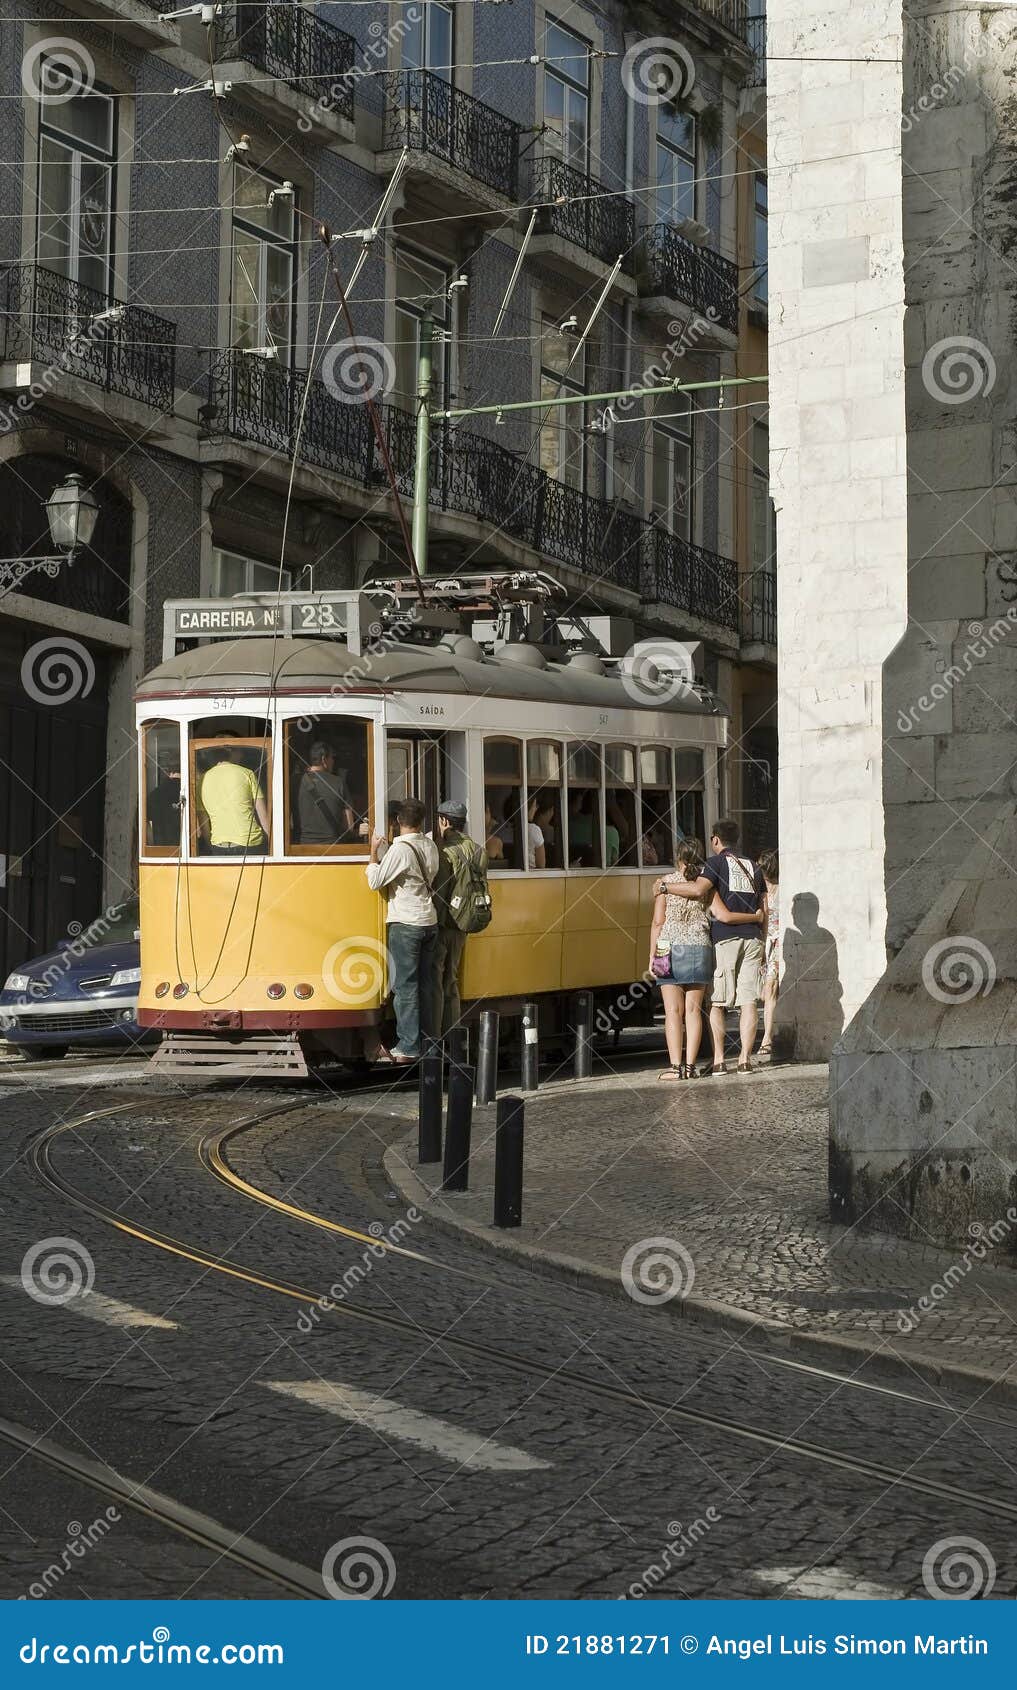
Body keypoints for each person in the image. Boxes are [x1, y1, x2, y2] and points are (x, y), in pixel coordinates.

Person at [655, 818, 767, 1076]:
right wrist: (760, 932)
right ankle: (741, 1060)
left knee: (709, 1005)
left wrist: (663, 887)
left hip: (678, 946)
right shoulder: (753, 867)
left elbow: (659, 921)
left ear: (716, 840)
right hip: (719, 944)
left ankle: (709, 1062)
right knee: (744, 1001)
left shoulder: (704, 870)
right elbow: (764, 907)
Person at [366, 795, 439, 1063]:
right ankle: (429, 1043)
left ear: (398, 820)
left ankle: (408, 1046)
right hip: (429, 921)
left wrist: (373, 852)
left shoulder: (400, 850)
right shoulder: (430, 845)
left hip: (406, 923)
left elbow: (376, 880)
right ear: (421, 821)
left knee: (405, 987)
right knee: (426, 986)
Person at [648, 837, 713, 1081]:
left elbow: (658, 922)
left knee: (672, 1011)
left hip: (667, 947)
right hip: (699, 945)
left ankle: (675, 1068)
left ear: (678, 857)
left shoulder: (664, 882)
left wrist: (652, 956)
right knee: (694, 1011)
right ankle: (691, 1067)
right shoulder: (705, 883)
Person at [432, 799, 489, 1035]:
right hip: (464, 922)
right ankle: (453, 1033)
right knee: (451, 979)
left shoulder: (445, 852)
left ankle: (435, 1034)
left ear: (444, 821)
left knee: (436, 980)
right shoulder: (479, 850)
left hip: (444, 923)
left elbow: (440, 892)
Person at [198, 741, 269, 854]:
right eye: (240, 751)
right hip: (250, 841)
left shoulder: (202, 779)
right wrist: (272, 845)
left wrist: (210, 846)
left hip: (219, 843)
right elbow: (263, 815)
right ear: (232, 752)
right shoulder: (247, 773)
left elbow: (203, 821)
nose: (241, 755)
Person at [298, 740, 355, 846]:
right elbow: (349, 826)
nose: (333, 761)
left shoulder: (296, 782)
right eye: (332, 758)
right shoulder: (339, 782)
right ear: (324, 759)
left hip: (303, 848)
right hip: (332, 848)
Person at [757, 847, 780, 1061]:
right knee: (764, 994)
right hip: (764, 944)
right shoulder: (760, 892)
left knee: (770, 990)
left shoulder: (781, 890)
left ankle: (767, 1038)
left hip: (777, 943)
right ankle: (771, 1032)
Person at [147, 762, 180, 848]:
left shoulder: (155, 794)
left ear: (170, 773)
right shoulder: (188, 792)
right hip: (184, 847)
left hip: (161, 847)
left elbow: (147, 822)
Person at [526, 795, 546, 870]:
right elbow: (541, 865)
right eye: (534, 806)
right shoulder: (533, 829)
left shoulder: (509, 827)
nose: (536, 809)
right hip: (531, 874)